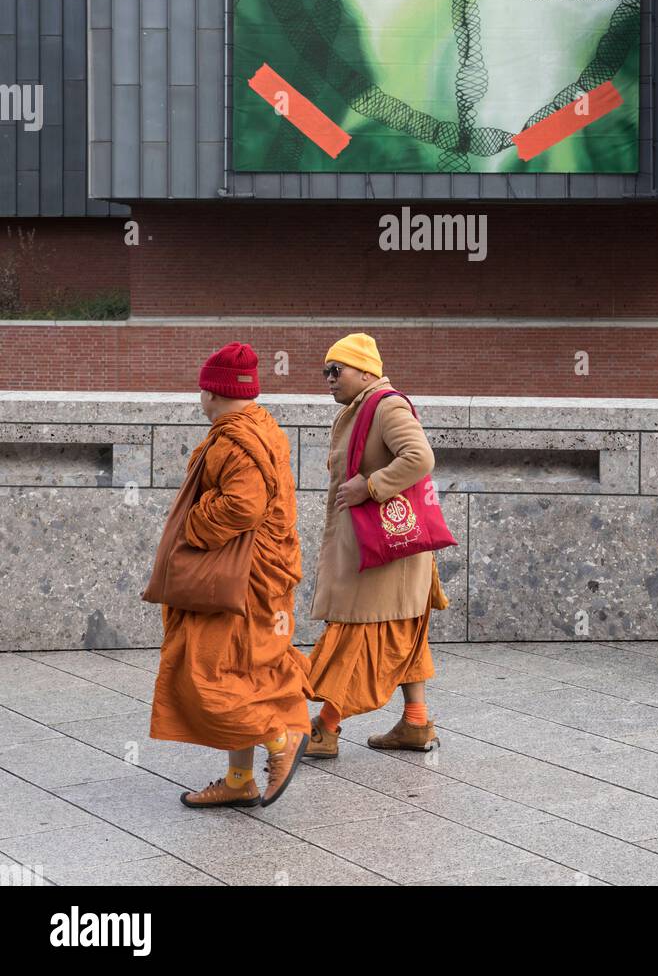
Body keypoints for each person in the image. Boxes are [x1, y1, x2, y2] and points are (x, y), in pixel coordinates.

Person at [149, 342, 313, 807]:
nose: (200, 398)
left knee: (207, 670)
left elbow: (243, 505)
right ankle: (240, 779)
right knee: (246, 668)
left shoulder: (233, 441)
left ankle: (281, 739)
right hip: (263, 574)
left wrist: (194, 524)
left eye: (203, 390)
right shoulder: (263, 428)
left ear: (214, 392)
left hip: (239, 579)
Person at [304, 333, 441, 758]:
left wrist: (372, 485)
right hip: (386, 551)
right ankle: (415, 724)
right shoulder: (361, 408)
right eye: (325, 370)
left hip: (384, 554)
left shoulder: (385, 406)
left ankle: (325, 729)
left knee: (357, 636)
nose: (328, 378)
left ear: (365, 371)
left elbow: (419, 457)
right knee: (402, 632)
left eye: (336, 369)